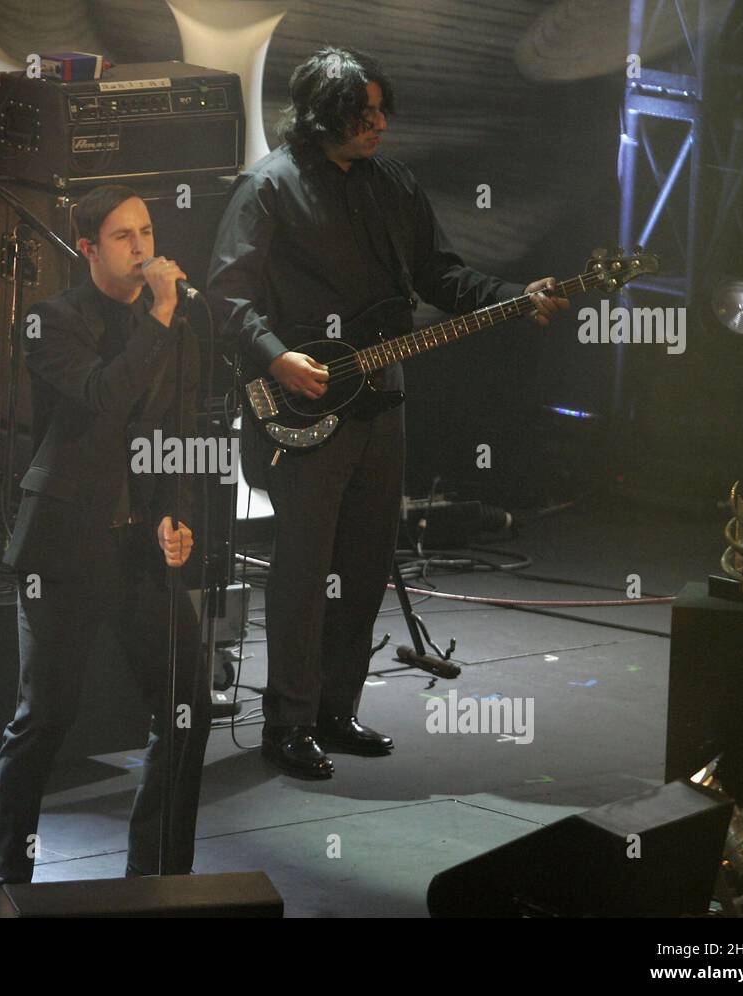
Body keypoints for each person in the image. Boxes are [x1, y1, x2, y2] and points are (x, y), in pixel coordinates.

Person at [208, 47, 569, 780]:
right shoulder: (268, 186)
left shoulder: (394, 184)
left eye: (380, 111)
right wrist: (277, 358)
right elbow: (226, 295)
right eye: (362, 113)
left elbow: (440, 274)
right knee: (304, 571)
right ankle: (288, 722)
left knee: (367, 564)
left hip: (382, 399)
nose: (379, 125)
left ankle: (335, 710)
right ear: (321, 116)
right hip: (304, 401)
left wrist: (513, 296)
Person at [0, 184, 211, 891]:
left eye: (147, 232)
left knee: (186, 703)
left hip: (139, 545)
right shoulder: (51, 321)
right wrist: (160, 317)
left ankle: (158, 874)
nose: (142, 247)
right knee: (46, 717)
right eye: (123, 236)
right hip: (63, 545)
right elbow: (108, 396)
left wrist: (175, 514)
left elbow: (178, 434)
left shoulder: (174, 326)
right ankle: (5, 874)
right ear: (88, 248)